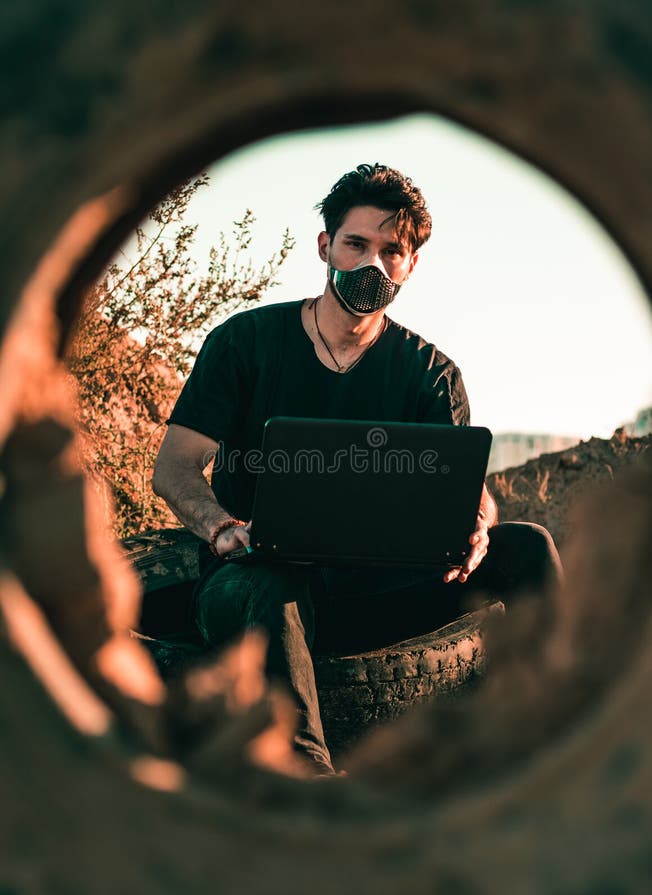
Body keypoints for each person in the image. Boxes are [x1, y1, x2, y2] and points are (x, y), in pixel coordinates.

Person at [153, 164, 563, 775]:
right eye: (357, 244)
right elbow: (174, 468)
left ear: (410, 265)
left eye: (391, 251)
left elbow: (471, 494)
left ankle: (560, 734)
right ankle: (308, 778)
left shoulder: (431, 373)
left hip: (379, 592)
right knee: (272, 579)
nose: (373, 264)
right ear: (326, 246)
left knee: (527, 546)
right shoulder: (245, 343)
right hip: (254, 583)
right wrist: (220, 527)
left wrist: (478, 529)